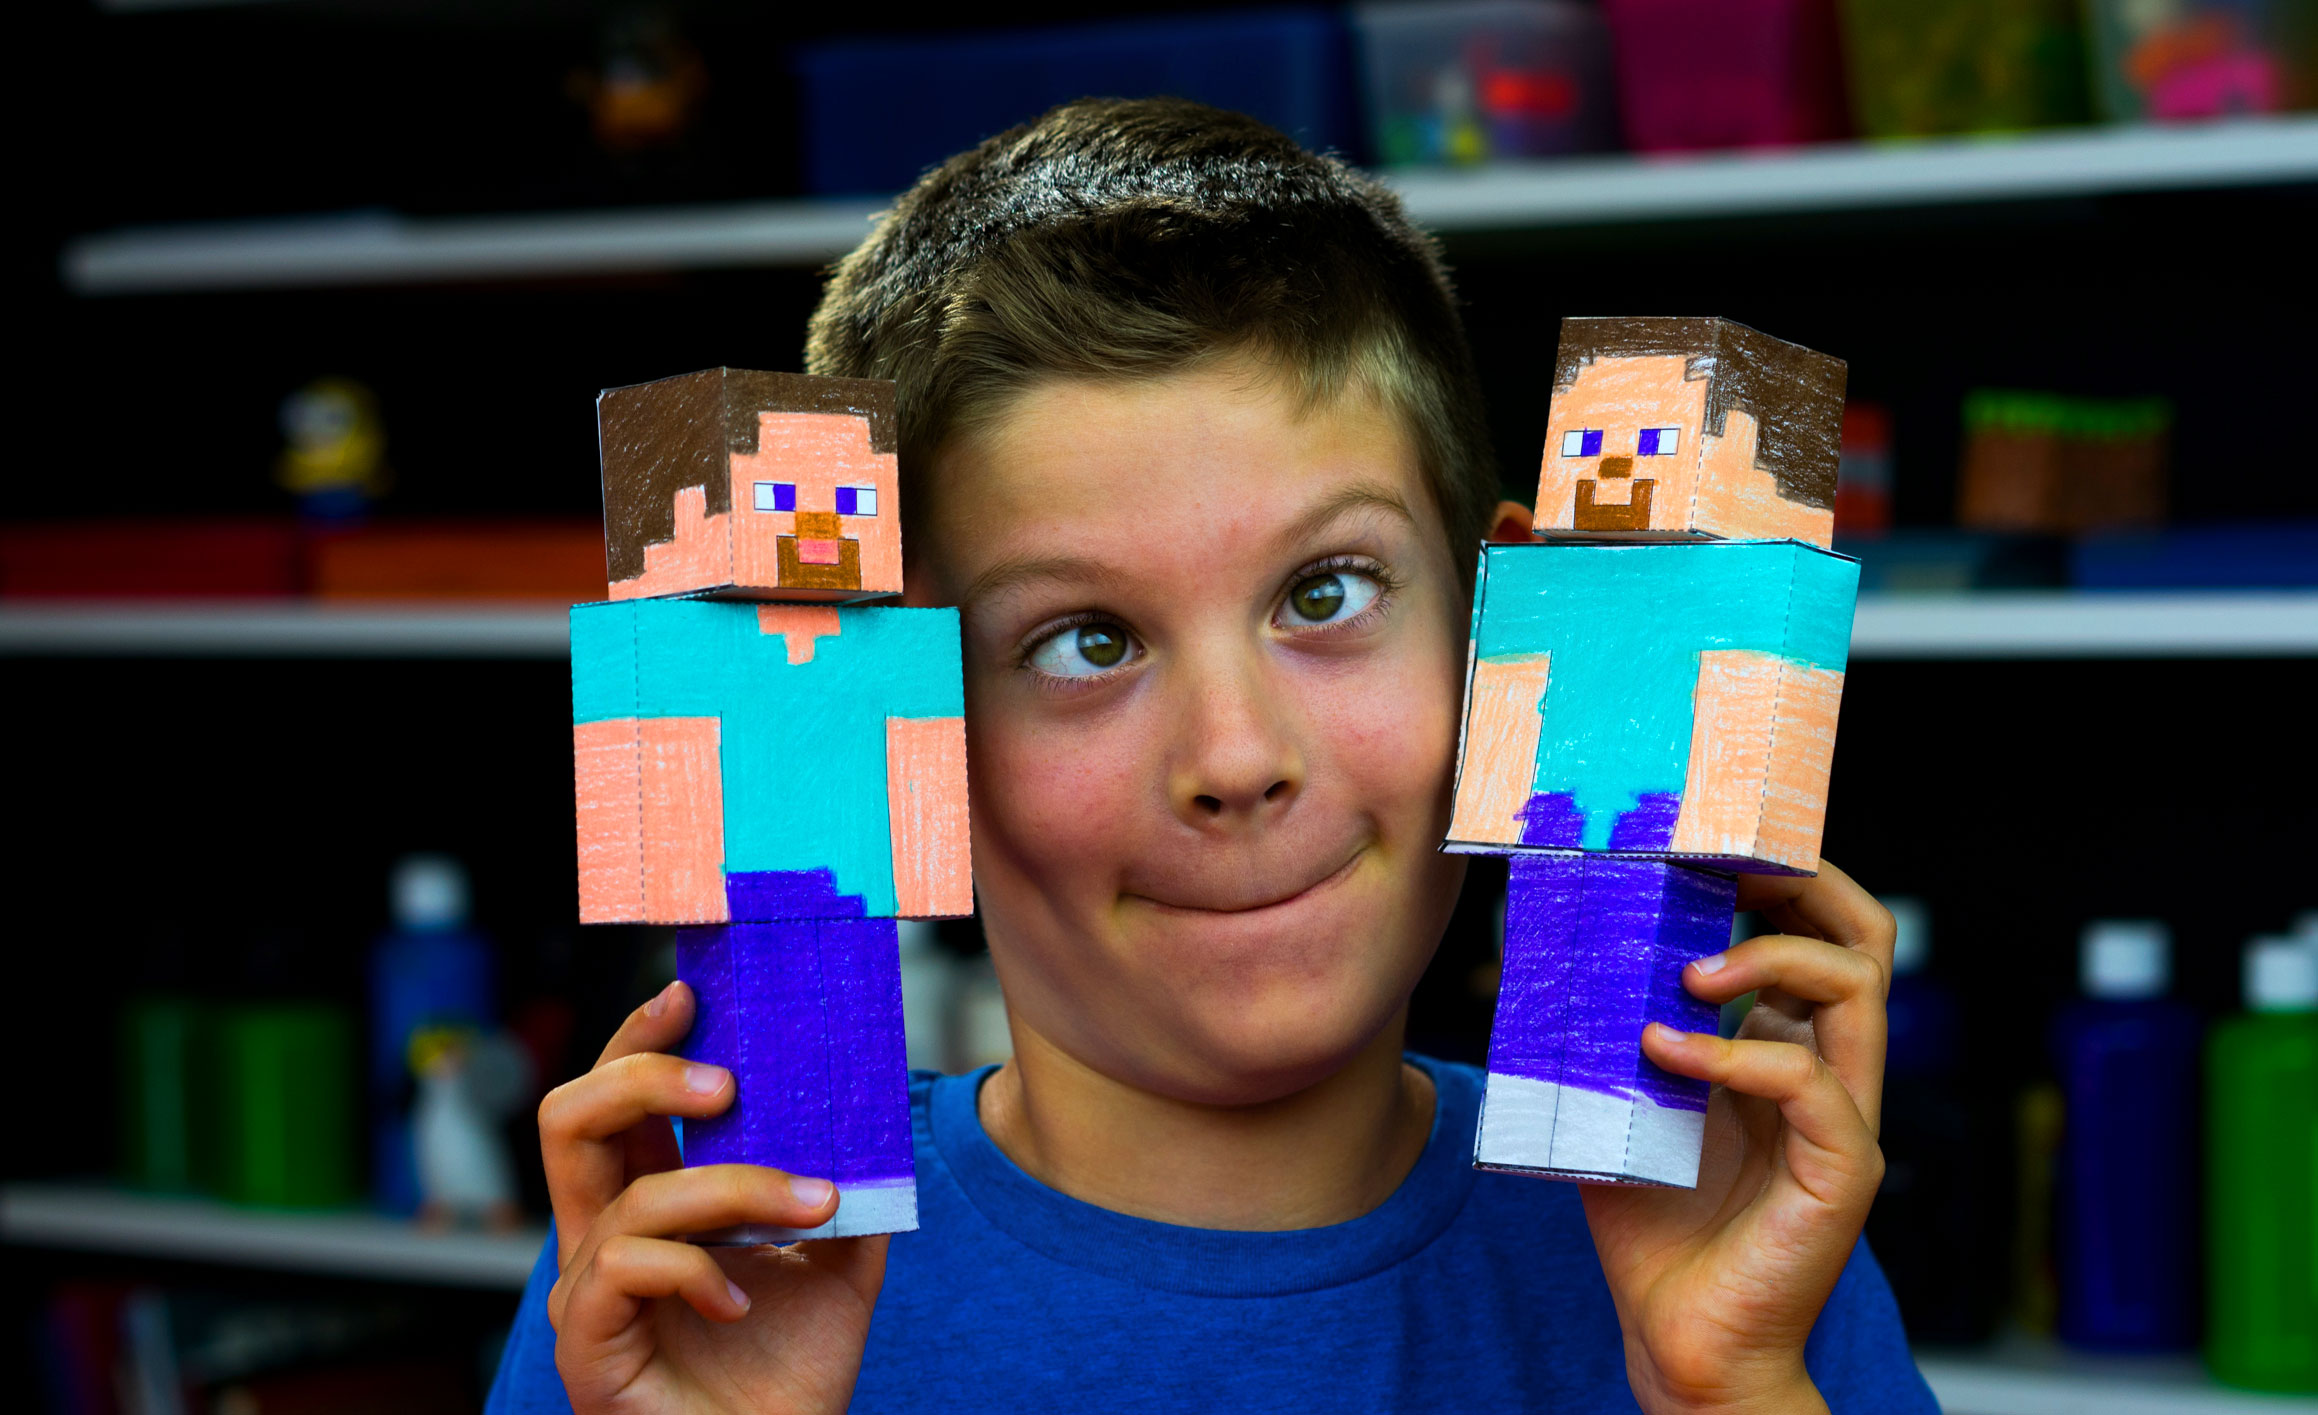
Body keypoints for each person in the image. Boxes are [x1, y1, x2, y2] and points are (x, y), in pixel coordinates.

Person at [489, 98, 1935, 1414]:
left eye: (1326, 593)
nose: (1234, 759)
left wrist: (1727, 1387)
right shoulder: (695, 1282)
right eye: (1084, 642)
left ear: (1516, 645)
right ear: (891, 732)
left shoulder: (1739, 1247)